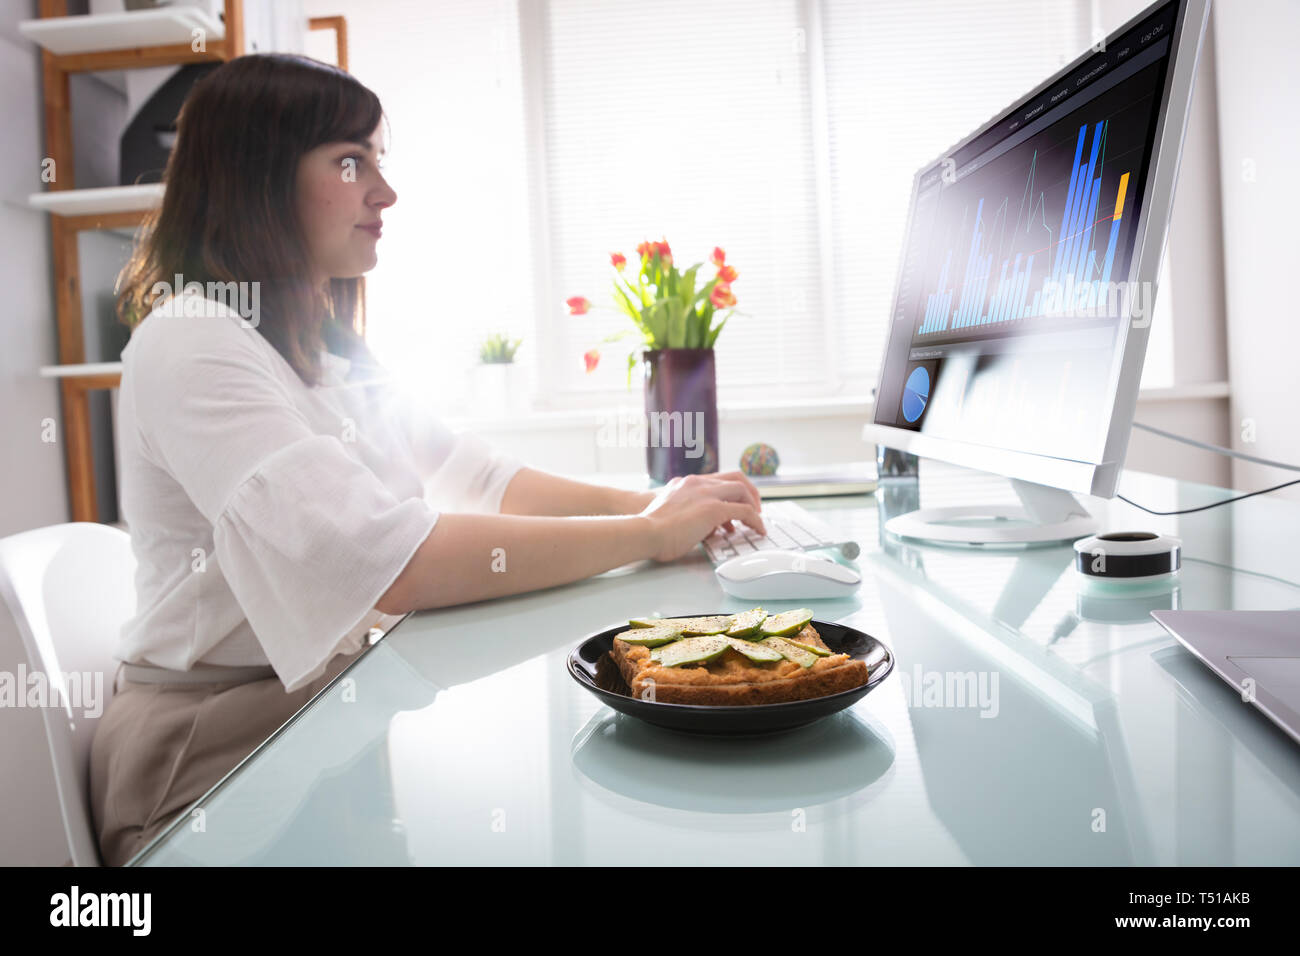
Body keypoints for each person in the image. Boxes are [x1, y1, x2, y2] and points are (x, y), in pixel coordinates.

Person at [89, 53, 765, 866]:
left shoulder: (325, 348)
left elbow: (484, 481)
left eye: (380, 159)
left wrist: (662, 509)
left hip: (314, 719)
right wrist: (649, 535)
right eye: (351, 160)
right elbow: (387, 564)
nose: (385, 190)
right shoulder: (192, 342)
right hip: (205, 767)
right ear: (255, 176)